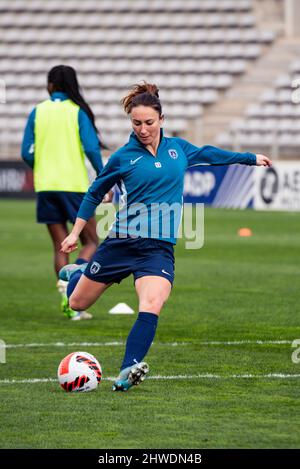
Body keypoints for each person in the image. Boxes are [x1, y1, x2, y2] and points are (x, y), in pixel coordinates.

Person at [59, 82, 272, 390]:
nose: (143, 129)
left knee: (152, 302)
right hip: (121, 242)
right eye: (136, 123)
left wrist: (250, 158)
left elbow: (210, 154)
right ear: (130, 122)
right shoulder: (122, 157)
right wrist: (75, 234)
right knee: (77, 303)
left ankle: (126, 372)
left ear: (161, 119)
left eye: (148, 122)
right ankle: (78, 273)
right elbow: (95, 193)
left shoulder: (178, 149)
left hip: (158, 249)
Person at [21, 65, 105, 320]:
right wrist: (103, 175)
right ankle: (74, 282)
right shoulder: (77, 112)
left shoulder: (38, 111)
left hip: (46, 186)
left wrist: (43, 167)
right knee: (91, 242)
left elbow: (26, 152)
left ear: (50, 86)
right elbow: (91, 148)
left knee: (61, 247)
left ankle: (69, 303)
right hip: (74, 186)